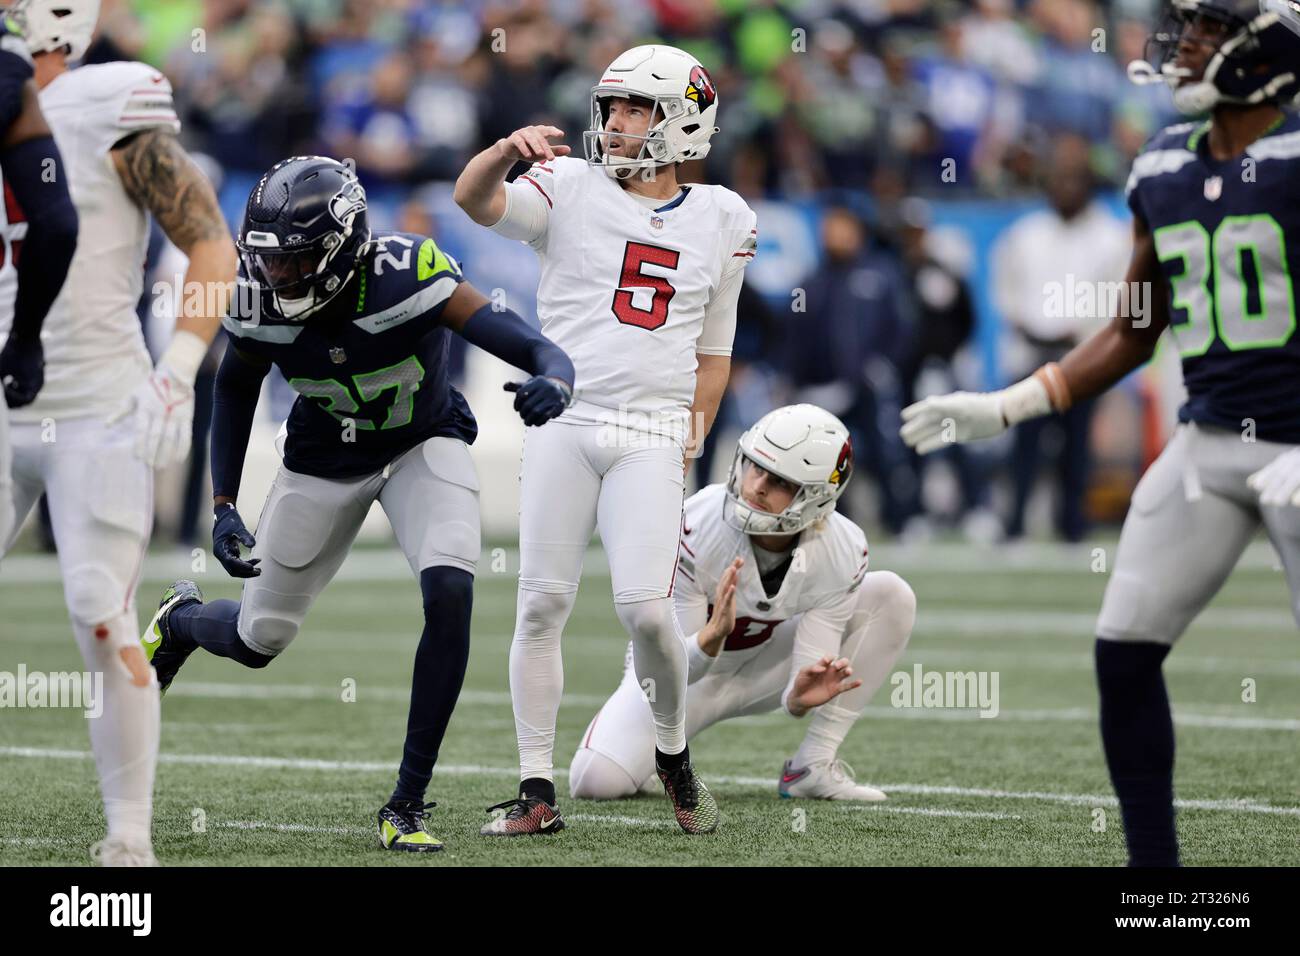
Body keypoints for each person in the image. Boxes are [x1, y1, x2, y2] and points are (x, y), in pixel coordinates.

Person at [901, 0, 1300, 867]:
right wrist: (1009, 404)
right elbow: (1134, 327)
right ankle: (1156, 880)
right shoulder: (1161, 165)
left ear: (1262, 51)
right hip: (1209, 445)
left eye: (1203, 34)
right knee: (1123, 656)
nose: (1182, 49)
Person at [139, 156, 574, 853]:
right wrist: (223, 503)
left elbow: (520, 338)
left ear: (344, 246)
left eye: (295, 260)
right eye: (269, 260)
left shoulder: (409, 274)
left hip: (420, 443)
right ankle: (182, 622)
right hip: (322, 460)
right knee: (259, 641)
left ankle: (405, 803)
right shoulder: (255, 296)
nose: (276, 275)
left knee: (451, 590)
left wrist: (556, 375)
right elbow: (232, 387)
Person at [454, 44, 757, 835]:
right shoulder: (568, 185)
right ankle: (534, 788)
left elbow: (714, 354)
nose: (615, 122)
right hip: (566, 419)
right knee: (541, 602)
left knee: (648, 614)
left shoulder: (724, 218)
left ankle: (671, 750)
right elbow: (474, 203)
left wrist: (688, 440)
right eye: (612, 107)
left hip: (652, 430)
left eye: (634, 109)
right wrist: (498, 155)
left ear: (681, 121)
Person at [1, 0, 237, 867]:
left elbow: (213, 246)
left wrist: (177, 368)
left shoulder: (111, 99)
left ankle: (129, 832)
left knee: (102, 618)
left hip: (97, 405)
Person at [570, 405, 915, 802]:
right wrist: (708, 641)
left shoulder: (841, 549)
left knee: (890, 596)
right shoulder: (699, 523)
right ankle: (650, 760)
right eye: (754, 466)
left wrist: (798, 698)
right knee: (594, 781)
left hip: (763, 668)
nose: (756, 486)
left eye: (779, 481)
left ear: (817, 498)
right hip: (680, 679)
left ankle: (812, 765)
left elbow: (807, 673)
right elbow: (675, 671)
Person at [990, 133, 1129, 541]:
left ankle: (1071, 528)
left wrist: (1085, 330)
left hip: (1079, 356)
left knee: (1076, 446)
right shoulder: (1027, 233)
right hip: (1031, 352)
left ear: (1088, 184)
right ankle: (1013, 526)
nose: (1065, 189)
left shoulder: (1110, 235)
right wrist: (1020, 320)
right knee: (1024, 447)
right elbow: (1005, 285)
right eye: (1058, 180)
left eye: (1073, 180)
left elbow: (1119, 297)